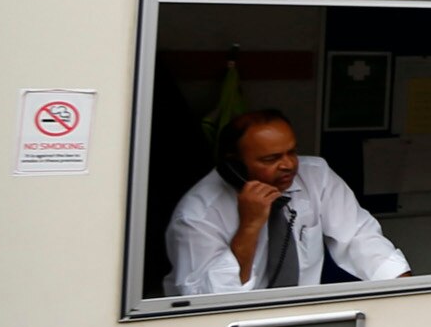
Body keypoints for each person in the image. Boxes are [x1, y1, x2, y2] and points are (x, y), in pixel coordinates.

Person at [166, 111, 411, 298]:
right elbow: (206, 299)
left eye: (291, 152)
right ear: (234, 163)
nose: (288, 165)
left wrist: (407, 292)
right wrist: (249, 227)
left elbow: (360, 238)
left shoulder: (316, 176)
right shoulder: (198, 214)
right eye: (271, 159)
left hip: (299, 318)